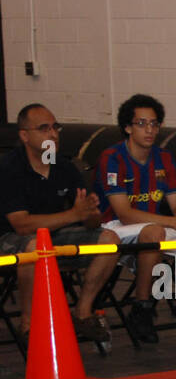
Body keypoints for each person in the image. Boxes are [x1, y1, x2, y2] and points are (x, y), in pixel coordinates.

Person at [95, 94, 176, 342]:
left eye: (154, 124)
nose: (149, 130)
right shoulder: (112, 158)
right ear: (127, 127)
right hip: (115, 227)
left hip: (154, 222)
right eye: (142, 124)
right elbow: (124, 213)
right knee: (154, 232)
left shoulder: (164, 158)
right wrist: (175, 223)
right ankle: (142, 307)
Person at [0, 103, 119, 347]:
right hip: (10, 240)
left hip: (57, 237)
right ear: (24, 135)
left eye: (56, 127)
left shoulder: (64, 166)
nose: (53, 134)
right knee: (34, 245)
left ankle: (82, 313)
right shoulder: (9, 168)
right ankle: (29, 324)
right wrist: (75, 214)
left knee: (109, 240)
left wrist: (90, 213)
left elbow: (89, 221)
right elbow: (21, 225)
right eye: (44, 129)